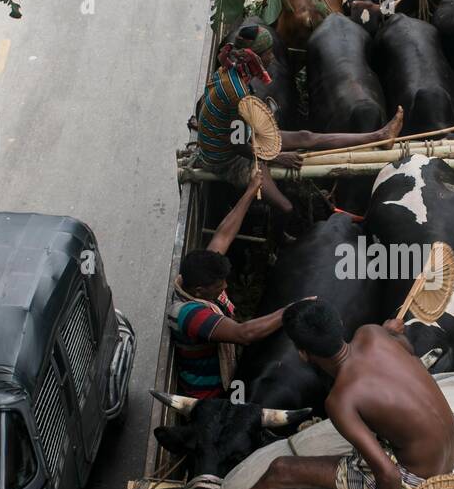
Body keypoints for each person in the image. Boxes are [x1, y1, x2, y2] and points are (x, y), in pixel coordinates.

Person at [156, 299, 454, 489]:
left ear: (302, 353)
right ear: (339, 325)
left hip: (418, 478)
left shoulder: (341, 400)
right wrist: (393, 333)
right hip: (453, 449)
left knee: (282, 471)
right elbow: (406, 349)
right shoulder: (374, 333)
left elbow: (389, 475)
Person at [193, 24, 405, 216]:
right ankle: (278, 238)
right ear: (253, 58)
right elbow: (237, 146)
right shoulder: (237, 92)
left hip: (245, 136)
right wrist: (277, 157)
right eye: (268, 54)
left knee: (306, 136)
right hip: (227, 158)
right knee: (286, 207)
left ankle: (379, 135)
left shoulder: (232, 72)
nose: (272, 59)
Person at [170, 172, 311, 399]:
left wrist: (250, 190)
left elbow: (224, 235)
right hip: (210, 393)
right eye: (219, 285)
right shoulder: (189, 314)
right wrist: (292, 309)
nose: (225, 286)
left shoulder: (200, 274)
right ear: (199, 292)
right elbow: (244, 334)